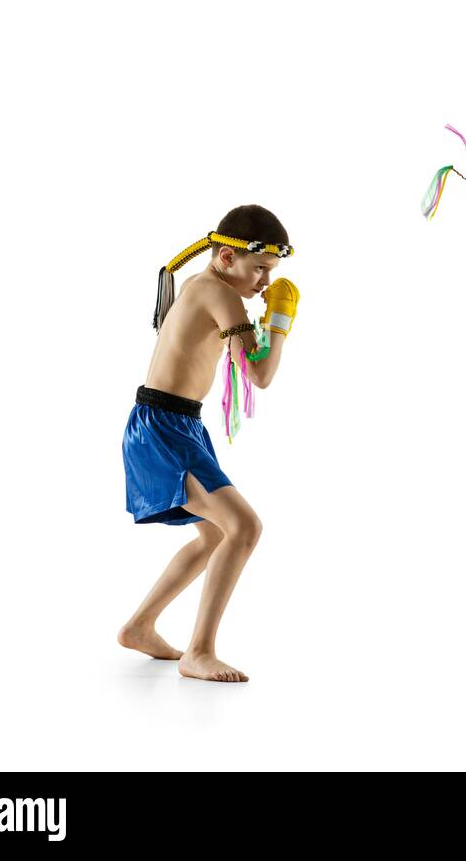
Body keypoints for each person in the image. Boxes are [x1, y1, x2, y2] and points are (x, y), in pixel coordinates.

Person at [118, 204, 300, 682]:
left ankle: (139, 626)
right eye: (259, 268)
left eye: (271, 272)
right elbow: (259, 376)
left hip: (176, 423)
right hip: (164, 427)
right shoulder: (220, 295)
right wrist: (280, 322)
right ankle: (199, 651)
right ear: (224, 257)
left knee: (217, 533)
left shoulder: (203, 286)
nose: (264, 281)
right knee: (244, 527)